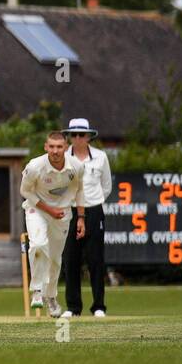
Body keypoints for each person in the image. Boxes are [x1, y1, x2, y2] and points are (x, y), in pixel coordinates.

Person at [20, 130, 85, 318]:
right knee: (38, 245)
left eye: (59, 147)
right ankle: (37, 291)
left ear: (66, 147)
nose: (55, 151)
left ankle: (51, 297)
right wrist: (48, 209)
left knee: (55, 260)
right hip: (37, 209)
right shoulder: (34, 167)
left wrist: (81, 218)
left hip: (63, 214)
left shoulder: (77, 167)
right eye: (52, 147)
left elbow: (79, 192)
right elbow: (25, 191)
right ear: (45, 147)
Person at [61, 118, 112, 318]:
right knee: (71, 259)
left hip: (93, 210)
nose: (77, 139)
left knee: (95, 259)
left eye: (81, 135)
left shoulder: (100, 157)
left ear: (89, 136)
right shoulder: (63, 157)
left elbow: (106, 186)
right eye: (73, 135)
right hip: (70, 211)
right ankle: (73, 307)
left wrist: (93, 202)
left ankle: (98, 306)